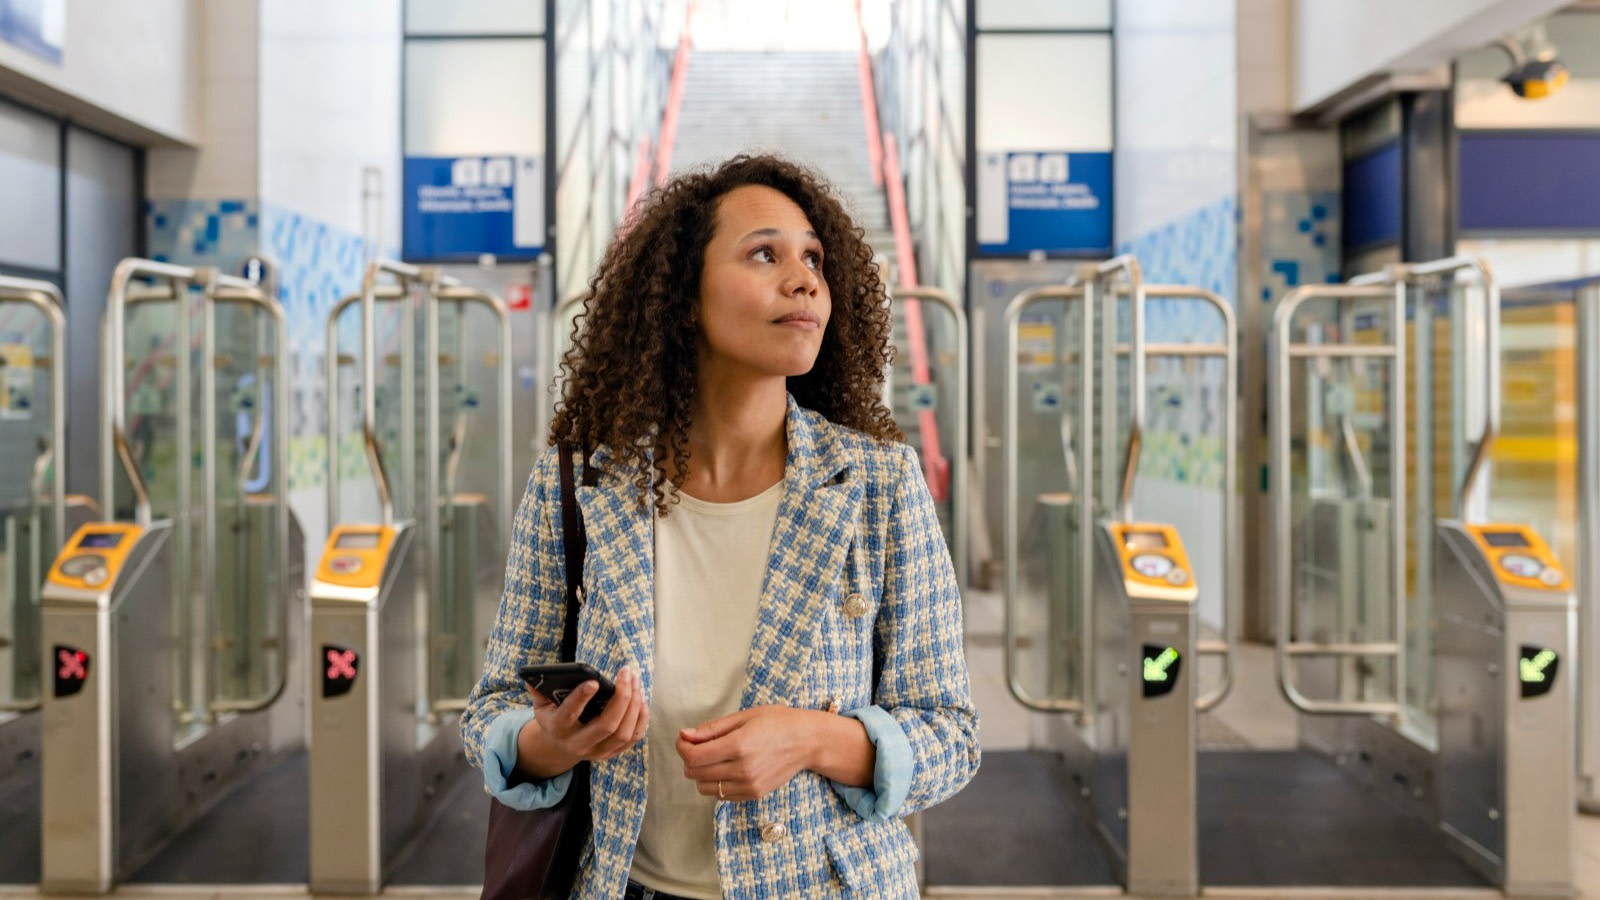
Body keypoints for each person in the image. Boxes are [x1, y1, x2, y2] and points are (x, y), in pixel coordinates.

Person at [461, 154, 979, 899]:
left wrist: (815, 740)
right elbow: (490, 715)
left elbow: (952, 735)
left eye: (813, 259)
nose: (803, 279)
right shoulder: (581, 486)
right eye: (763, 253)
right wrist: (549, 743)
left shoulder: (879, 487)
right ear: (682, 298)